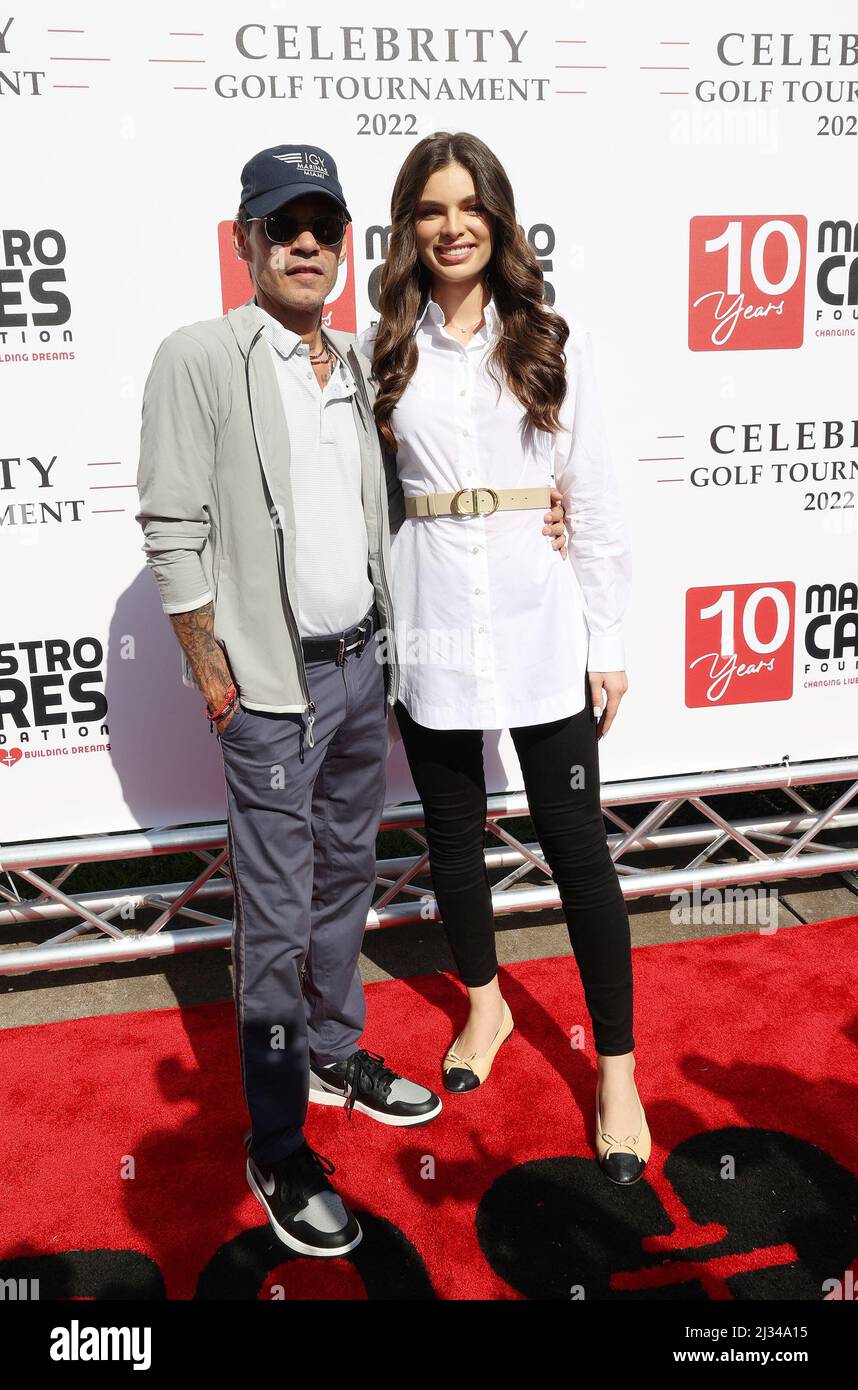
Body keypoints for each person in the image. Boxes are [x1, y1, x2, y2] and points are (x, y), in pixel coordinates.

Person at [135, 143, 569, 1255]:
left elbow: (424, 492)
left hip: (360, 666)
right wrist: (207, 661)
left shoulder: (356, 360)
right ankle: (276, 1144)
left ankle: (333, 1047)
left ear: (342, 245)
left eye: (323, 225)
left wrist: (543, 512)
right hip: (270, 689)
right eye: (283, 226)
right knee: (275, 914)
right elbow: (172, 522)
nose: (306, 244)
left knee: (347, 882)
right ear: (245, 242)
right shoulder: (198, 358)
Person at [359, 131, 651, 1185]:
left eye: (467, 205)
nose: (451, 225)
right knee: (450, 833)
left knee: (578, 847)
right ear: (411, 227)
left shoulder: (549, 344)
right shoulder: (383, 351)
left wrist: (607, 635)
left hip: (539, 616)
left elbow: (599, 497)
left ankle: (616, 1071)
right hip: (432, 614)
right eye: (431, 209)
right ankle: (484, 1006)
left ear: (497, 217)